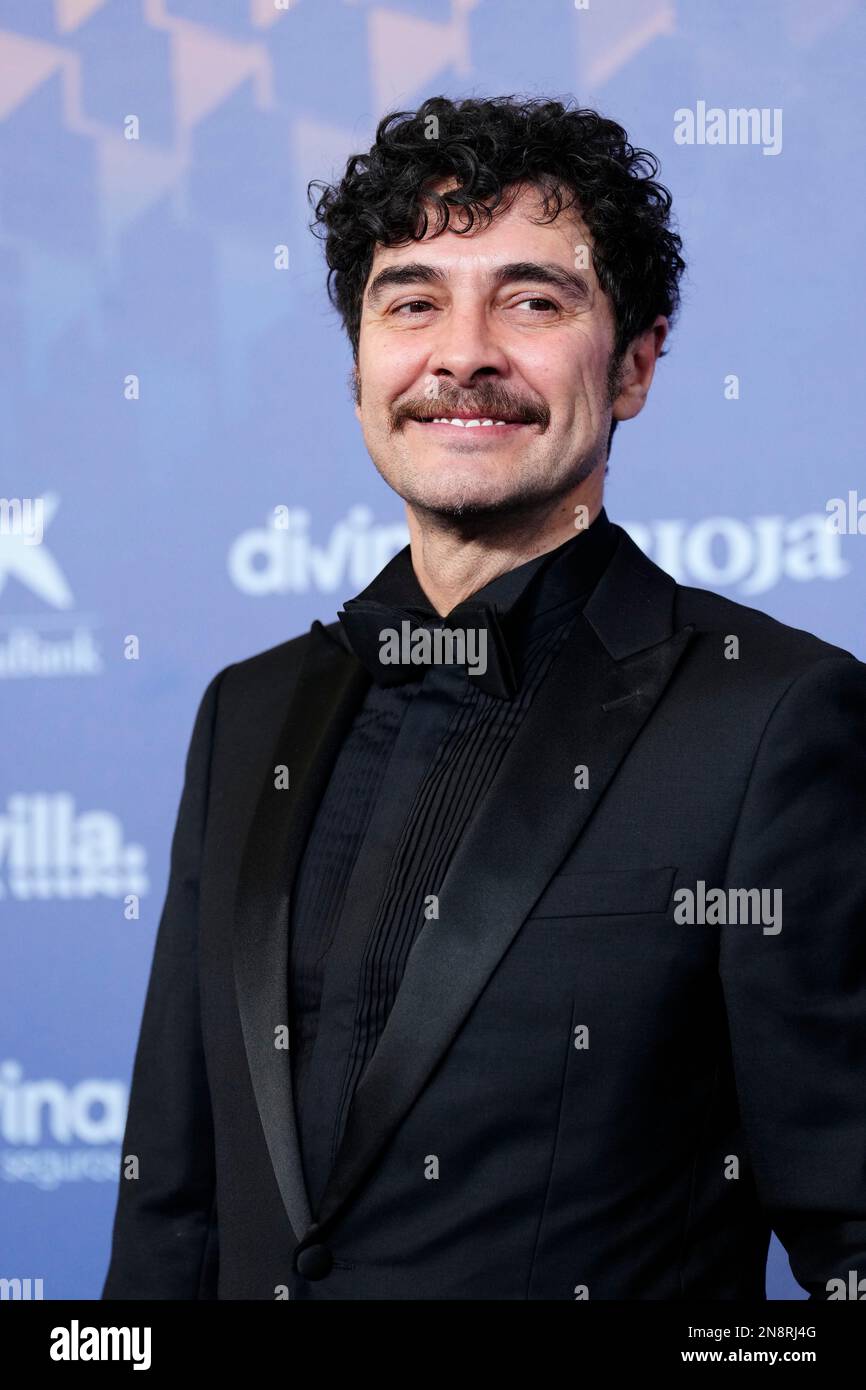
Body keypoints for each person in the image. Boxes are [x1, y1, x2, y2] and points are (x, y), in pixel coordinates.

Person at [102, 96, 866, 1300]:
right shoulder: (244, 715)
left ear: (634, 364)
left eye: (530, 300)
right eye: (411, 301)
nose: (461, 353)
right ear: (358, 366)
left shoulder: (772, 720)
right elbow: (170, 1219)